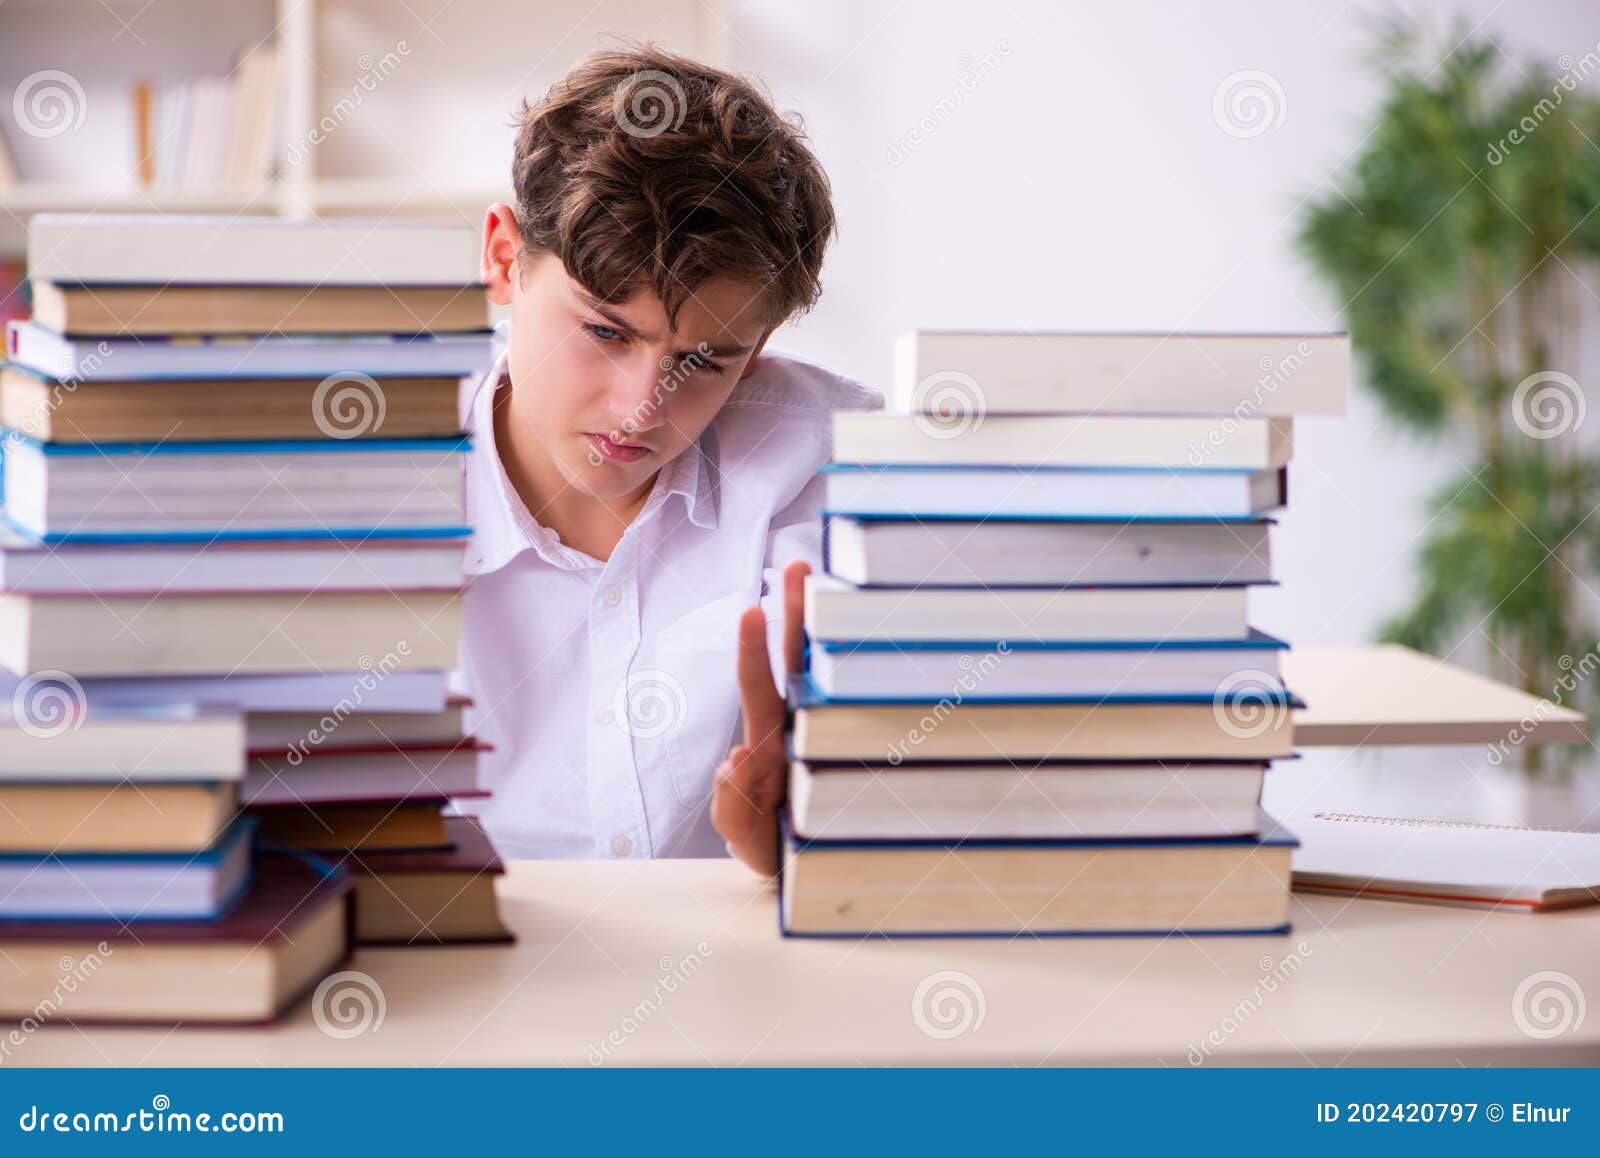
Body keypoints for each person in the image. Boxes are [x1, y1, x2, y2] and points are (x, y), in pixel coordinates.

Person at [455, 44, 879, 874]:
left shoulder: (827, 458)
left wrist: (803, 848)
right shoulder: (359, 478)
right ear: (505, 260)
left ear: (759, 349)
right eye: (607, 332)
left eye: (707, 360)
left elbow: (897, 781)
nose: (642, 407)